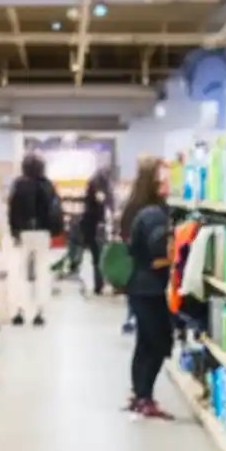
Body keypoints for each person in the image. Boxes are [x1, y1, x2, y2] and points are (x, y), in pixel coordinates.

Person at [119, 157, 174, 420]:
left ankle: (140, 394)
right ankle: (145, 397)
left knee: (144, 342)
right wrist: (176, 258)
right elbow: (158, 254)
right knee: (158, 342)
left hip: (137, 285)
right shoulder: (154, 214)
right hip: (151, 287)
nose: (167, 183)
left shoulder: (134, 207)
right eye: (163, 178)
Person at [7, 152, 63, 326]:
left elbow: (12, 210)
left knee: (20, 271)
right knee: (42, 270)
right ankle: (40, 311)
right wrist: (54, 231)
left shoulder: (18, 185)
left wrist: (14, 231)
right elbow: (55, 211)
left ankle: (19, 311)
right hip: (43, 233)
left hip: (23, 233)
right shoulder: (48, 186)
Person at [80, 166, 114, 296]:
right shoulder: (98, 186)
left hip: (92, 226)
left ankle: (99, 284)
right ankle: (99, 284)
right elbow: (103, 202)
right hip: (96, 226)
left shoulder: (94, 184)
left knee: (96, 257)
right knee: (98, 256)